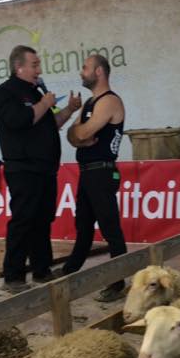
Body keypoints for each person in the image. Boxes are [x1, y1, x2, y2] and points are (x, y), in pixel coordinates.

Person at [0, 45, 81, 292]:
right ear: (19, 67)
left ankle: (42, 270)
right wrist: (44, 102)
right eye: (34, 65)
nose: (39, 70)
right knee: (23, 221)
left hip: (45, 169)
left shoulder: (35, 93)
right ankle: (14, 276)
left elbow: (51, 123)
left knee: (42, 220)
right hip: (24, 168)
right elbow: (20, 120)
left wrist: (70, 109)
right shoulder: (5, 93)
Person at [62, 53, 127, 302]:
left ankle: (117, 283)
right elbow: (72, 135)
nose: (82, 72)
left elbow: (81, 133)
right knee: (83, 227)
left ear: (99, 71)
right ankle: (69, 273)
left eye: (85, 67)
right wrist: (79, 135)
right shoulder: (90, 103)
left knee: (110, 229)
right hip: (88, 172)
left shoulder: (109, 101)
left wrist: (80, 135)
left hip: (102, 172)